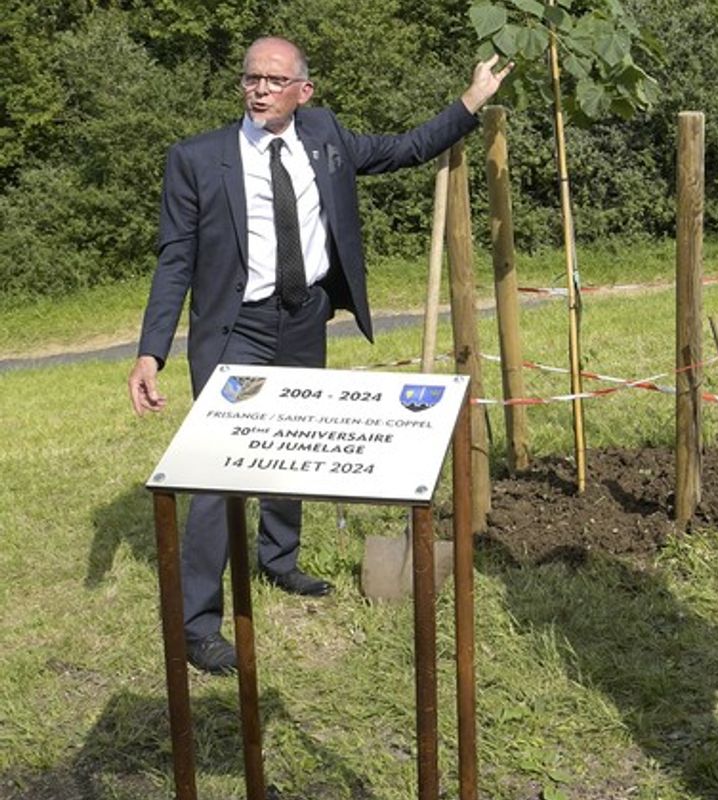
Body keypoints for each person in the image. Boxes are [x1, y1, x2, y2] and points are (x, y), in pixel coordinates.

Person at [128, 36, 510, 675]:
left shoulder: (324, 136)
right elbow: (175, 260)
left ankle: (279, 559)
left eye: (274, 80)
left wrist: (470, 101)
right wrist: (150, 353)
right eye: (251, 77)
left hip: (304, 320)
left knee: (296, 445)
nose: (259, 89)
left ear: (303, 92)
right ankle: (197, 625)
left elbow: (403, 150)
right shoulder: (197, 159)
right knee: (220, 473)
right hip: (235, 330)